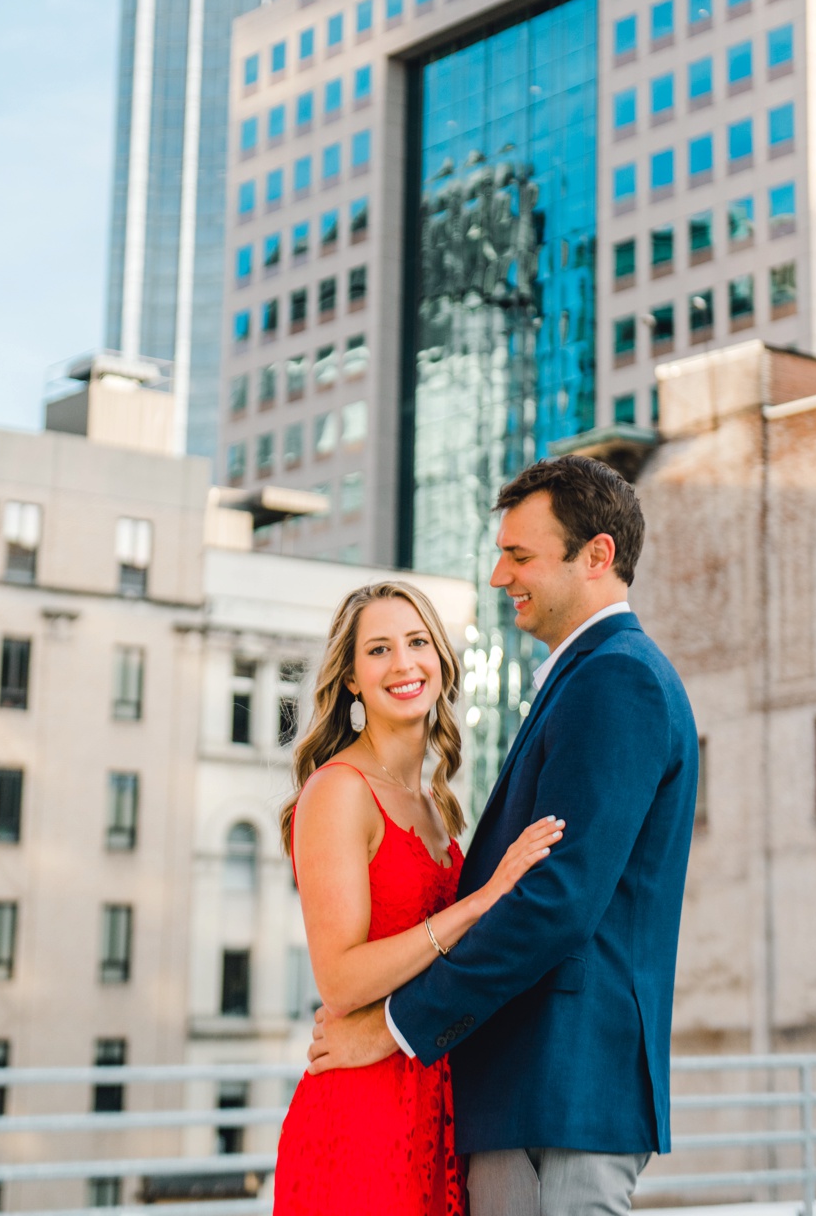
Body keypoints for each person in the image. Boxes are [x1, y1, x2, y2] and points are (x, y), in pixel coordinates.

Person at [307, 454, 699, 1216]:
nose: (498, 576)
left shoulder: (616, 678)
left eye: (519, 555)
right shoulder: (582, 674)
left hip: (562, 1084)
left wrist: (396, 1029)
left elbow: (557, 901)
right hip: (519, 1091)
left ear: (596, 556)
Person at [273, 579, 564, 1216]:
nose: (404, 664)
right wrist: (479, 902)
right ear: (350, 678)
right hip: (364, 1115)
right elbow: (342, 980)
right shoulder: (339, 790)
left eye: (417, 642)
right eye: (378, 650)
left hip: (441, 1102)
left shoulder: (436, 804)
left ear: (441, 657)